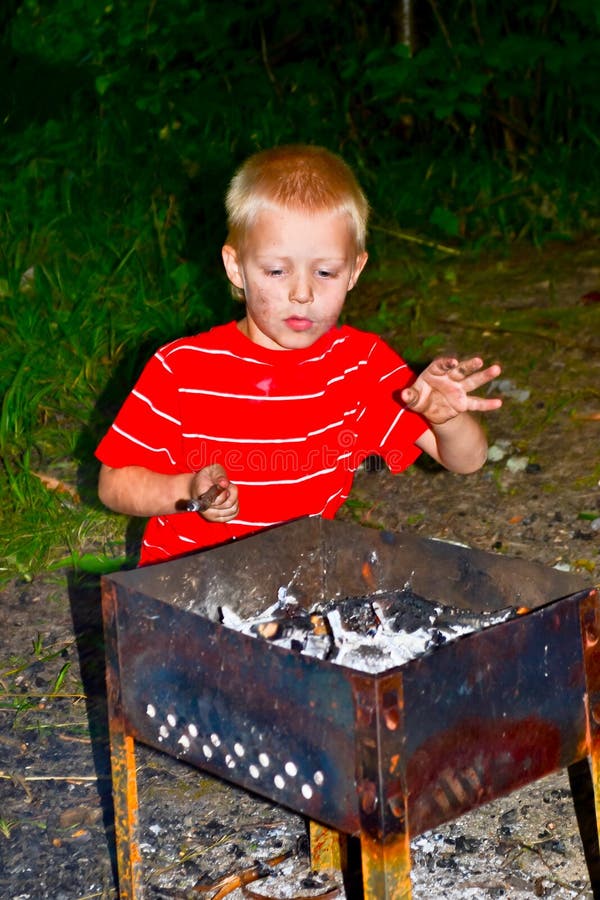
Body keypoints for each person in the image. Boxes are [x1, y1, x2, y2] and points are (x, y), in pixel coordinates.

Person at [96, 145, 502, 565]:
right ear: (236, 268)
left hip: (302, 584)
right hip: (189, 587)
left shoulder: (360, 365)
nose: (303, 293)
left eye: (325, 272)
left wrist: (446, 417)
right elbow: (113, 482)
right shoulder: (183, 368)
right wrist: (185, 490)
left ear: (354, 271)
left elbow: (467, 461)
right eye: (277, 270)